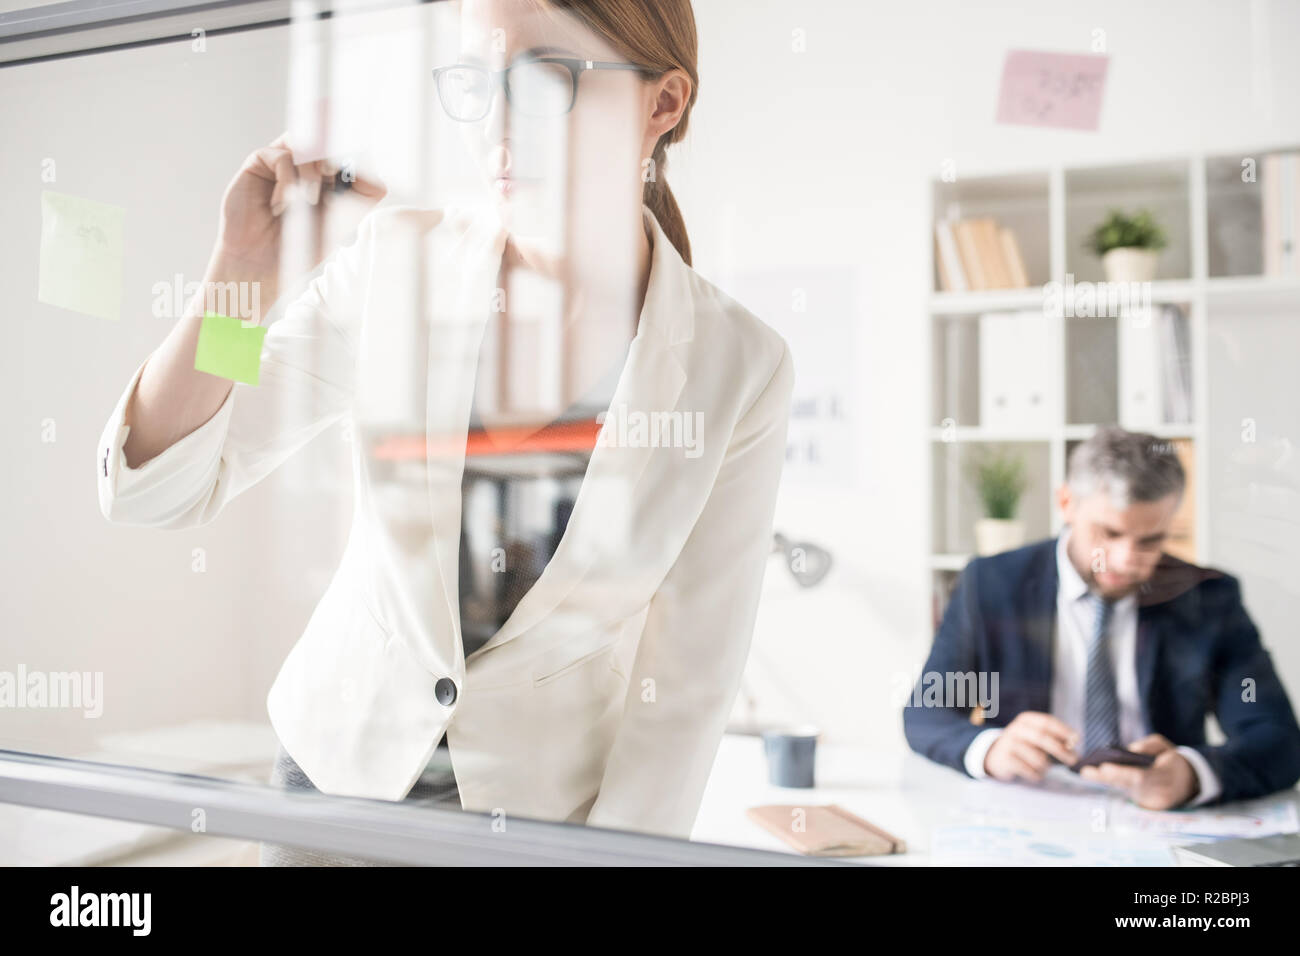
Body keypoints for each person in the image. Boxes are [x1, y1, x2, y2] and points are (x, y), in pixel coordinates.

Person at [95, 0, 794, 857]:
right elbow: (167, 483)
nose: (497, 126)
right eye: (475, 82)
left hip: (532, 826)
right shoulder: (397, 264)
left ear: (663, 103)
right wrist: (239, 277)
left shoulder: (740, 368)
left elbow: (686, 690)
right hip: (331, 781)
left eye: (541, 80)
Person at [904, 427, 1300, 809]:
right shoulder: (989, 585)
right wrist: (990, 749)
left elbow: (1276, 738)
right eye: (1108, 533)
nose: (1128, 560)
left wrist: (1193, 775)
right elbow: (927, 713)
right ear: (1066, 505)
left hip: (1155, 820)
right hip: (1029, 810)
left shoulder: (1210, 598)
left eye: (1151, 540)